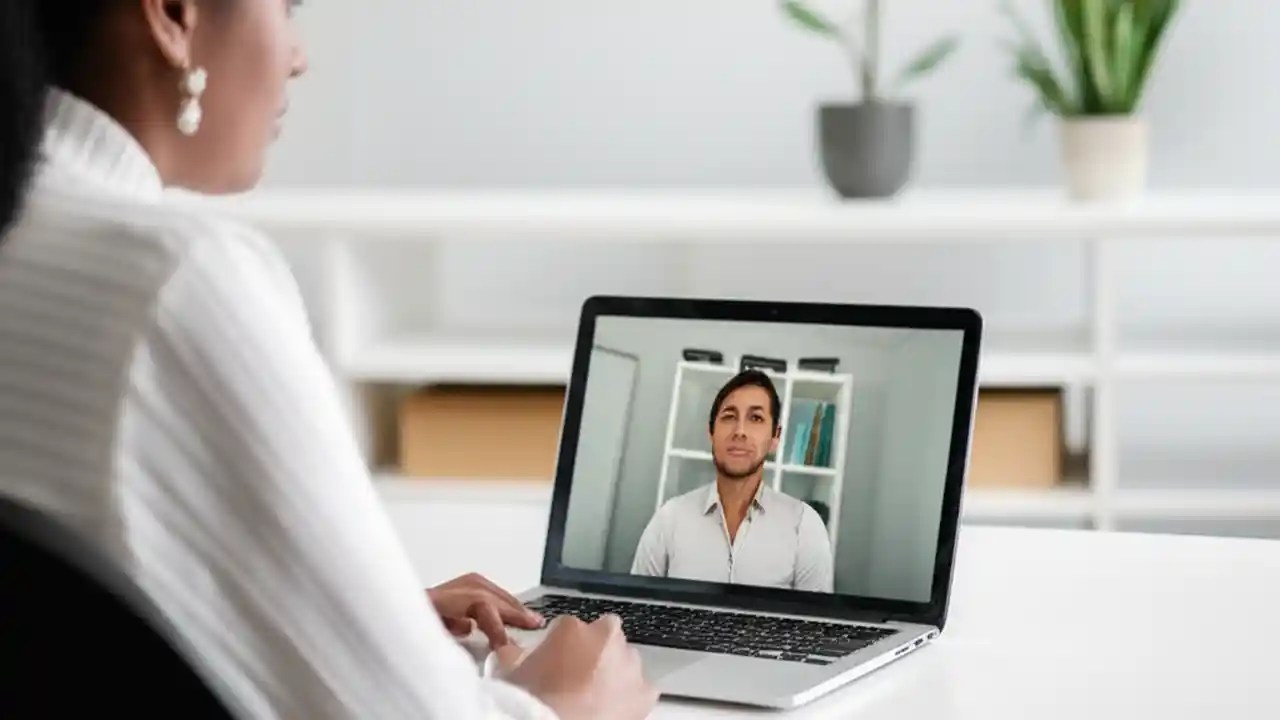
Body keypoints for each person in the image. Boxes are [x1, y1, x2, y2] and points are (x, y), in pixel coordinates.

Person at [0, 2, 657, 719]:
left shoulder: (29, 239)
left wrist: (366, 625)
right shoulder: (174, 279)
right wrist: (567, 704)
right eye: (285, 7)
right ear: (173, 14)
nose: (298, 55)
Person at [631, 370, 834, 593]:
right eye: (729, 416)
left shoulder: (805, 526)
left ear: (775, 437)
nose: (740, 431)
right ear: (711, 432)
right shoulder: (669, 519)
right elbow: (636, 613)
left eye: (756, 418)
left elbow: (813, 627)